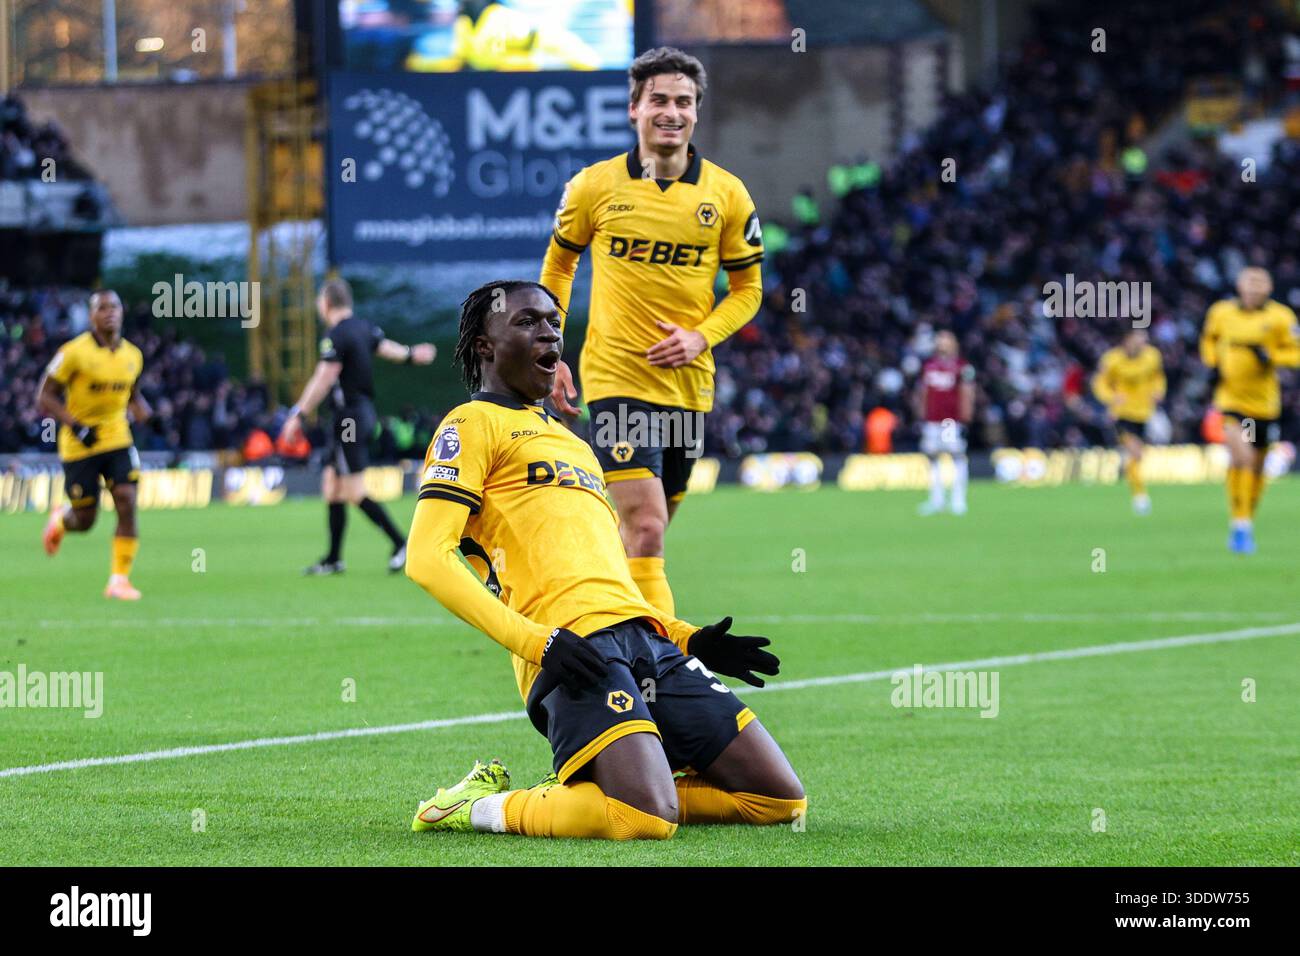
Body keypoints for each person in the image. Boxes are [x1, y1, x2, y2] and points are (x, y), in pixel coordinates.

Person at [403, 280, 804, 840]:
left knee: (777, 800)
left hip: (648, 642)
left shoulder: (574, 444)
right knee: (645, 819)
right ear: (483, 347)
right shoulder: (471, 426)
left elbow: (606, 579)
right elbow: (426, 557)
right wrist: (535, 643)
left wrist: (688, 639)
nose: (548, 331)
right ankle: (477, 807)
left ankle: (609, 785)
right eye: (526, 322)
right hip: (571, 650)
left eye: (552, 322)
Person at [539, 46, 764, 619]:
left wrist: (701, 337)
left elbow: (748, 291)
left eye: (683, 101)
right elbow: (559, 268)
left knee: (632, 538)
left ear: (696, 113)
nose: (672, 111)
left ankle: (576, 629)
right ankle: (666, 669)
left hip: (689, 386)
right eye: (658, 99)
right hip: (615, 375)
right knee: (648, 529)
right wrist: (551, 351)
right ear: (634, 109)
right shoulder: (593, 187)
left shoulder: (727, 195)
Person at [280, 277, 436, 574]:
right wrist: (411, 354)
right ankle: (334, 559)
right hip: (358, 415)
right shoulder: (364, 328)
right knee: (331, 486)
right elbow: (387, 348)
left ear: (326, 303)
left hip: (348, 419)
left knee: (352, 490)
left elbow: (324, 378)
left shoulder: (335, 336)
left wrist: (297, 414)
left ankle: (402, 543)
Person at [38, 290, 152, 600]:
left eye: (114, 306)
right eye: (102, 308)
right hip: (80, 445)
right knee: (85, 520)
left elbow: (132, 393)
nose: (109, 313)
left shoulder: (133, 355)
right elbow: (44, 395)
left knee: (127, 501)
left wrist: (144, 412)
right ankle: (61, 519)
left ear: (122, 312)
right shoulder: (73, 352)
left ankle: (119, 580)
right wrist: (75, 425)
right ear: (91, 316)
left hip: (117, 437)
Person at [1200, 267, 1300, 553]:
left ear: (1268, 288)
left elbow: (1296, 353)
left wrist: (1271, 356)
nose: (1254, 288)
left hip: (1265, 405)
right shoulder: (1221, 312)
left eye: (1260, 284)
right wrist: (1212, 362)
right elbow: (1209, 339)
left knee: (1256, 467)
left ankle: (1245, 520)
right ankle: (1240, 525)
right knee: (1241, 457)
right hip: (1231, 401)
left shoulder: (1281, 317)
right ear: (1240, 286)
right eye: (1250, 283)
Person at [1092, 328, 1165, 515]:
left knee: (1137, 456)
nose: (1143, 341)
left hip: (1144, 413)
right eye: (1139, 337)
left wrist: (1158, 391)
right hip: (1122, 414)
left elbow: (1158, 377)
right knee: (1136, 453)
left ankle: (1126, 475)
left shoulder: (1152, 356)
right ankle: (1140, 497)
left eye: (1144, 337)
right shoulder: (1112, 359)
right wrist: (1111, 397)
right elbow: (1099, 383)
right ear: (1127, 339)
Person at [914, 331, 975, 515]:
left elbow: (968, 391)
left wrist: (965, 416)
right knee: (932, 458)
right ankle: (936, 499)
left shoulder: (962, 367)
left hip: (950, 421)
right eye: (940, 340)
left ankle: (958, 500)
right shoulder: (929, 366)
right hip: (932, 420)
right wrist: (921, 413)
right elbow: (923, 391)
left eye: (946, 340)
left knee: (956, 456)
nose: (942, 344)